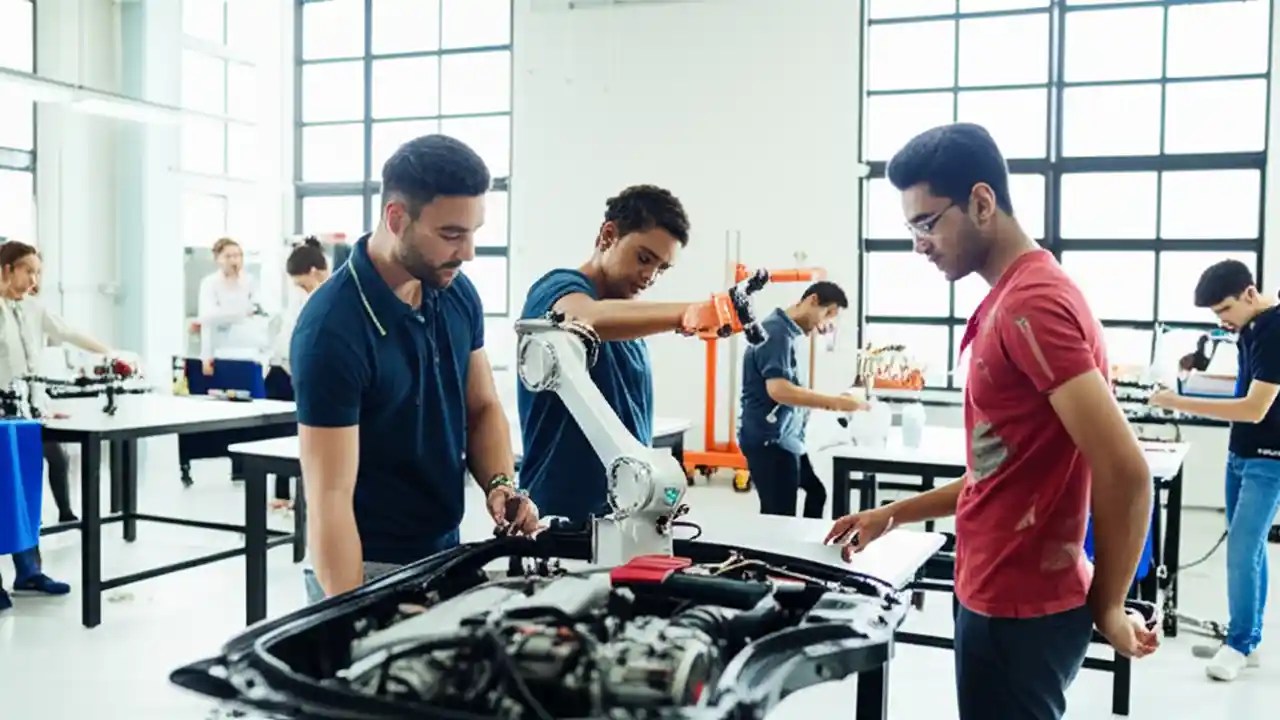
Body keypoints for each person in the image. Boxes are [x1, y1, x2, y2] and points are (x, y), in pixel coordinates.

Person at [825, 123, 1158, 720]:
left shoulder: (1033, 305)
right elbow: (998, 473)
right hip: (995, 588)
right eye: (910, 229)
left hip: (1020, 607)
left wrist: (1110, 605)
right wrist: (889, 514)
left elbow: (1126, 471)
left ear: (982, 202)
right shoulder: (1011, 299)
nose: (918, 245)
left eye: (927, 224)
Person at [290, 134, 538, 602]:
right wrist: (349, 617)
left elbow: (482, 407)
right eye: (451, 235)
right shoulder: (332, 330)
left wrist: (501, 483)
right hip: (363, 566)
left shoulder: (456, 293)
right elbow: (329, 503)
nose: (468, 253)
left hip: (446, 555)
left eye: (474, 232)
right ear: (397, 218)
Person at [517, 184, 756, 524]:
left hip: (626, 511)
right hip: (562, 514)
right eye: (644, 258)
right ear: (608, 235)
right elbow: (583, 318)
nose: (650, 276)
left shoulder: (630, 325)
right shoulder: (556, 289)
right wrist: (691, 312)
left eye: (662, 268)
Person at [1150, 259, 1280, 681]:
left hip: (1269, 457)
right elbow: (1245, 392)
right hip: (1240, 453)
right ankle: (1249, 638)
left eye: (1225, 310)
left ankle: (1239, 643)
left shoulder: (1276, 330)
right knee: (1251, 550)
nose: (1222, 321)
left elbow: (1255, 409)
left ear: (1249, 293)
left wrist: (1177, 402)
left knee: (1243, 550)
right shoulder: (1251, 330)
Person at [0, 240, 132, 608]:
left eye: (38, 272)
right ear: (8, 268)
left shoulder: (32, 307)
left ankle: (29, 572)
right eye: (28, 270)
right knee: (1, 494)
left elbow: (68, 332)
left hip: (27, 412)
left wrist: (111, 353)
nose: (33, 279)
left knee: (27, 489)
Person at [738, 281, 865, 518]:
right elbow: (779, 390)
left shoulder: (791, 333)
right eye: (827, 314)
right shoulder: (775, 332)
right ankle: (776, 554)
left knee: (816, 492)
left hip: (789, 438)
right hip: (770, 441)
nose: (826, 323)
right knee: (779, 516)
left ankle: (803, 547)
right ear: (812, 300)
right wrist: (835, 403)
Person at [265, 238, 330, 509]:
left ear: (314, 272)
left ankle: (303, 496)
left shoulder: (328, 292)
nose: (298, 288)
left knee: (310, 437)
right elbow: (290, 339)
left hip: (301, 372)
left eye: (301, 282)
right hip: (285, 372)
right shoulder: (305, 296)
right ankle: (283, 495)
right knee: (285, 435)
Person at [195, 237, 264, 377]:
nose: (234, 261)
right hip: (218, 351)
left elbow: (258, 312)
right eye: (228, 256)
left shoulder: (250, 281)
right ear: (217, 259)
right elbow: (208, 317)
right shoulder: (209, 283)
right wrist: (205, 356)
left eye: (238, 256)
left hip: (247, 350)